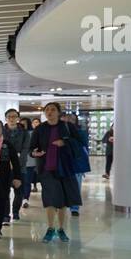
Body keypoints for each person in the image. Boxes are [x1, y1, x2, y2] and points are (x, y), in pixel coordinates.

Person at [29, 101, 82, 242]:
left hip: (65, 168)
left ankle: (62, 229)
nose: (49, 112)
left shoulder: (67, 126)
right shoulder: (40, 129)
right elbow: (31, 148)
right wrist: (34, 153)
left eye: (52, 109)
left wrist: (65, 143)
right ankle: (50, 228)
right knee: (50, 200)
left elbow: (80, 143)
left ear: (58, 112)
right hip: (46, 169)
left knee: (63, 201)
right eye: (47, 110)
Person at [2, 109, 31, 222]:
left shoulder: (24, 132)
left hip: (20, 166)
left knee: (19, 192)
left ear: (18, 118)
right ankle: (5, 214)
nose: (12, 118)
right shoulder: (2, 131)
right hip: (4, 165)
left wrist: (17, 162)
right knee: (5, 192)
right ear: (6, 118)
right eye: (9, 116)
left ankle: (15, 211)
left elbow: (25, 149)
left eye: (14, 116)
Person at [64, 111, 90, 217]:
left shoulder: (80, 133)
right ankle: (63, 204)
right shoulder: (59, 132)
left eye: (72, 120)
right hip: (63, 162)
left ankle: (74, 207)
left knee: (76, 185)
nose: (69, 121)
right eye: (67, 119)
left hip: (76, 163)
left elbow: (84, 148)